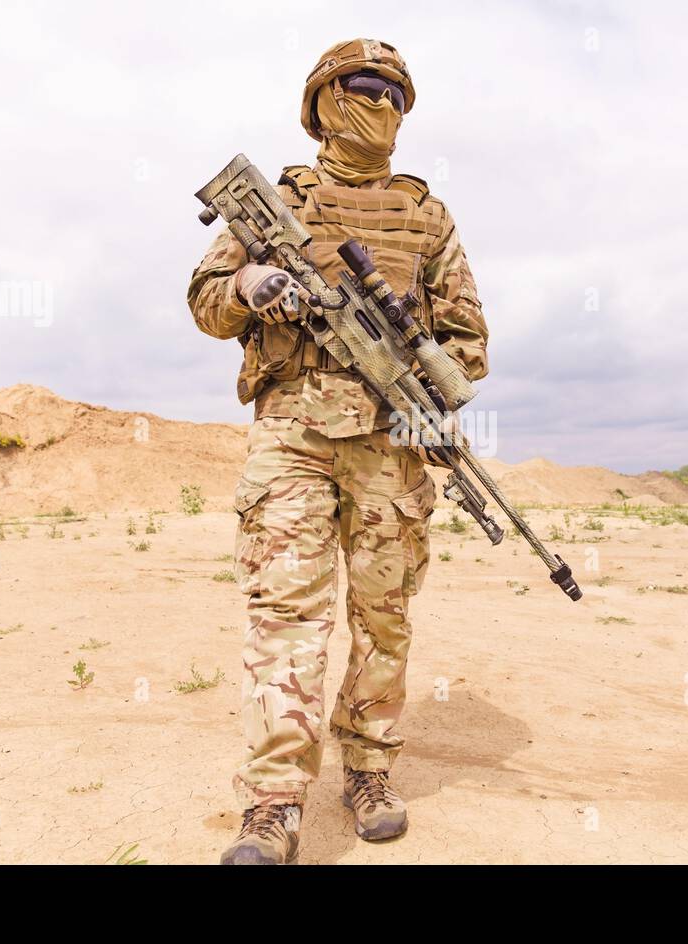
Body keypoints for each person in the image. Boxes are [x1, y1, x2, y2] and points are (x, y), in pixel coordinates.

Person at [186, 38, 489, 864]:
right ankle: (274, 801)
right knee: (286, 613)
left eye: (396, 93)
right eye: (364, 86)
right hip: (295, 435)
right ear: (324, 100)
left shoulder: (427, 216)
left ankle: (369, 769)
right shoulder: (279, 202)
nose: (381, 103)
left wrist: (429, 391)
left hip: (391, 445)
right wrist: (249, 286)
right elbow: (206, 299)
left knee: (384, 616)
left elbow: (469, 342)